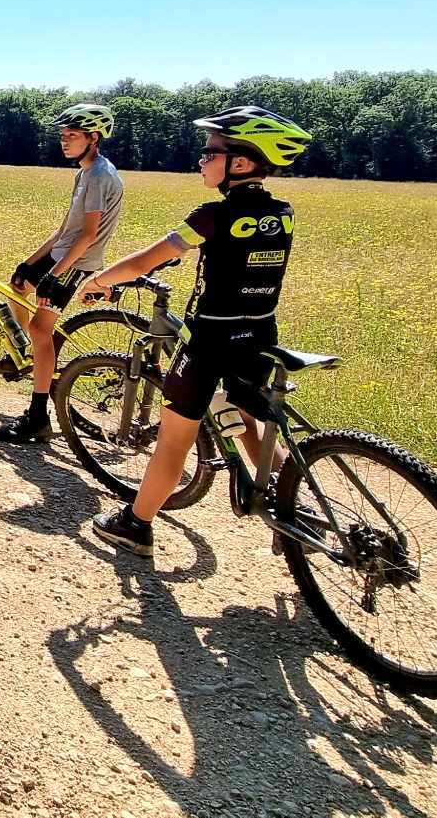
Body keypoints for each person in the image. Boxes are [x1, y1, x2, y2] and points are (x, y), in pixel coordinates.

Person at [75, 106, 313, 556]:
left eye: (211, 153)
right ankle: (289, 506)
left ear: (239, 163)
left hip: (212, 341)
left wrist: (100, 280)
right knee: (246, 418)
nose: (202, 160)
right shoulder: (283, 213)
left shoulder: (213, 215)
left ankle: (135, 524)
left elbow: (147, 259)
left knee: (173, 442)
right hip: (259, 336)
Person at [0, 103, 125, 444]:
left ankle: (38, 417)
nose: (64, 141)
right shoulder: (84, 171)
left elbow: (89, 235)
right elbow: (67, 227)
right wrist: (30, 262)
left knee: (40, 328)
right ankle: (26, 355)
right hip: (62, 252)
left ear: (93, 138)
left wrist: (56, 273)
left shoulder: (99, 176)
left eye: (72, 136)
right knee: (16, 286)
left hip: (78, 261)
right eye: (63, 135)